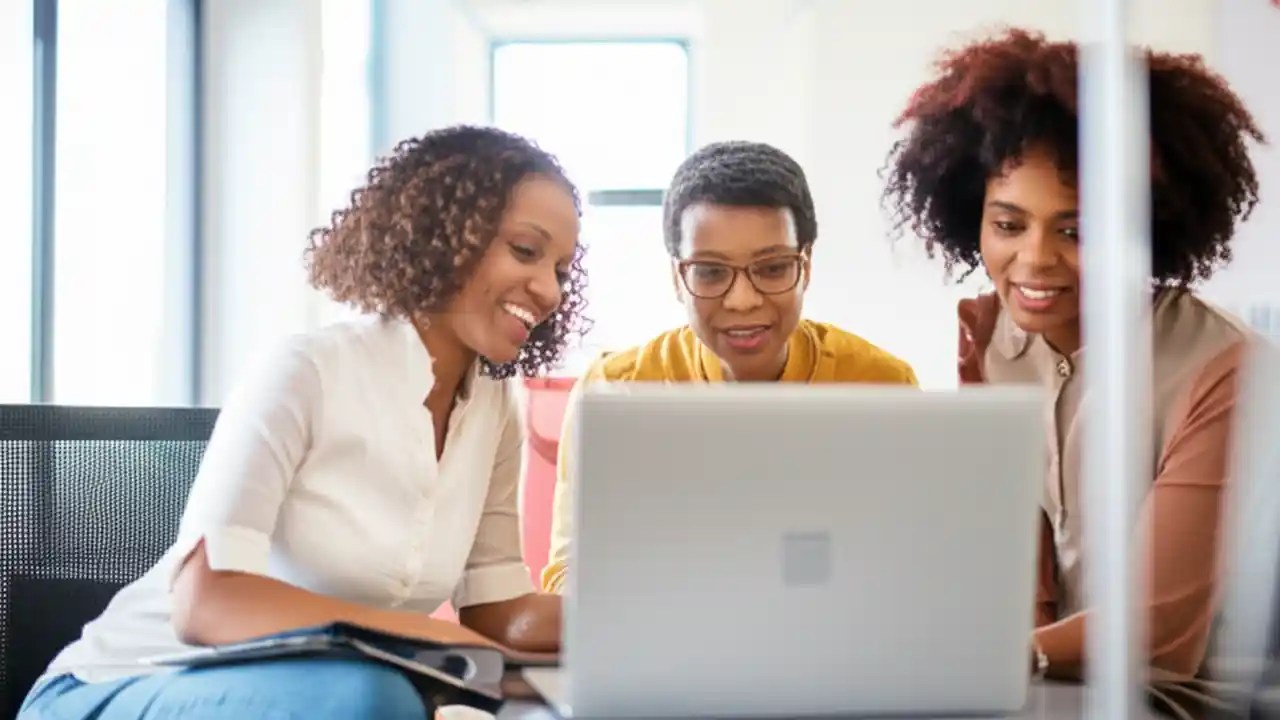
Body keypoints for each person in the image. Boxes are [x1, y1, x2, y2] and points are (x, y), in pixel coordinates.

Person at [19, 125, 589, 719]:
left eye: (562, 270)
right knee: (376, 698)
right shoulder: (307, 370)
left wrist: (654, 621)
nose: (548, 289)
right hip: (125, 686)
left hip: (316, 695)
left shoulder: (494, 407)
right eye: (526, 251)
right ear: (444, 237)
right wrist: (419, 638)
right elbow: (206, 602)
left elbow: (499, 611)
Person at [881, 28, 1266, 682]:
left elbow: (1159, 632)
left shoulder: (1225, 367)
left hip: (1177, 697)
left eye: (1077, 230)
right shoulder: (989, 339)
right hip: (1042, 683)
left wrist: (994, 657)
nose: (1033, 260)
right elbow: (1017, 566)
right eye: (1007, 225)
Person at [541, 140, 919, 593]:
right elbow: (570, 575)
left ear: (807, 265)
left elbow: (907, 565)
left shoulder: (881, 387)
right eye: (710, 272)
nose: (743, 300)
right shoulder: (617, 390)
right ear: (677, 278)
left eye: (774, 268)